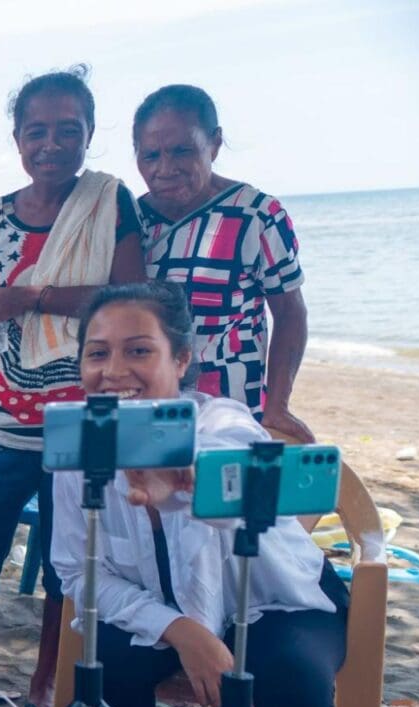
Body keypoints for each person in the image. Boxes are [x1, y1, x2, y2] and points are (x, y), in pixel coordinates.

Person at [0, 66, 146, 707]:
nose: (51, 144)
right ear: (17, 138)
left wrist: (37, 296)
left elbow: (131, 301)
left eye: (67, 131)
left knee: (65, 567)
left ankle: (44, 684)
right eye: (36, 132)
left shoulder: (109, 204)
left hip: (84, 426)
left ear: (88, 135)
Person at [51, 282, 349, 707]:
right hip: (163, 610)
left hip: (273, 601)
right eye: (97, 354)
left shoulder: (224, 422)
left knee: (289, 672)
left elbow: (240, 464)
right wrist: (181, 631)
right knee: (106, 666)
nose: (113, 371)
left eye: (139, 350)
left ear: (181, 360)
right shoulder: (83, 449)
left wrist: (183, 474)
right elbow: (77, 572)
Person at [132, 85, 314, 442]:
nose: (165, 169)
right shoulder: (130, 220)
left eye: (182, 151)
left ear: (214, 143)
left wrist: (278, 405)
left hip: (233, 411)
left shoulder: (257, 215)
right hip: (148, 407)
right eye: (150, 155)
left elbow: (291, 314)